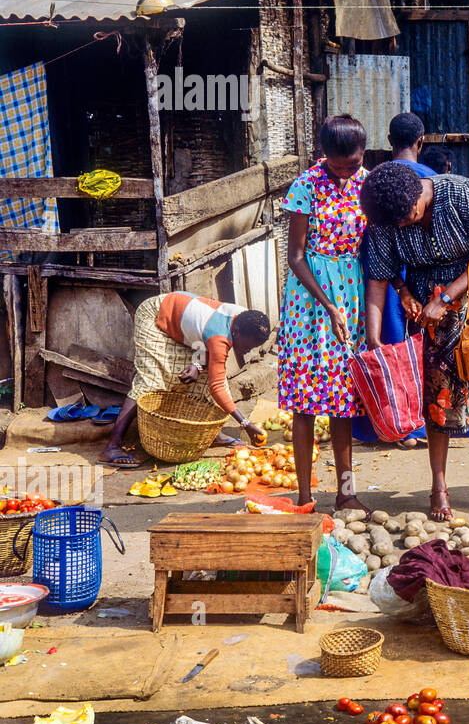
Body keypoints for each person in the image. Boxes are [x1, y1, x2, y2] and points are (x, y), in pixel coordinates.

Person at [359, 161, 469, 520]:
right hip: (428, 314)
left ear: (419, 194)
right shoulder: (386, 217)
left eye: (410, 217)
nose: (405, 225)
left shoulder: (462, 192)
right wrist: (381, 325)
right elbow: (380, 275)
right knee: (436, 402)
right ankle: (439, 485)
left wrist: (444, 299)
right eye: (398, 224)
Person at [278, 114, 369, 511]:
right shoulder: (305, 187)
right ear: (325, 156)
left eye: (356, 161)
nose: (351, 170)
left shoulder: (367, 183)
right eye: (342, 164)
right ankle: (303, 495)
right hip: (308, 300)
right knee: (306, 400)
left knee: (343, 398)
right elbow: (295, 257)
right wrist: (327, 303)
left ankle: (346, 492)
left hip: (351, 292)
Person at [98, 294, 270, 467]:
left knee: (205, 376)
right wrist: (245, 423)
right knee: (151, 381)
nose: (247, 351)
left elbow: (204, 334)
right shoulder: (221, 338)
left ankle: (212, 435)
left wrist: (196, 365)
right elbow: (216, 384)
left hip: (178, 320)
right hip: (154, 315)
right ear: (237, 332)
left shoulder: (244, 318)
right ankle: (112, 446)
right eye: (247, 346)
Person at [354, 112, 438, 447]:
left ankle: (386, 421)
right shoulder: (430, 179)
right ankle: (415, 424)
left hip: (381, 274)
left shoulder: (375, 181)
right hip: (417, 276)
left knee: (385, 347)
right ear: (421, 141)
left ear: (389, 142)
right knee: (418, 350)